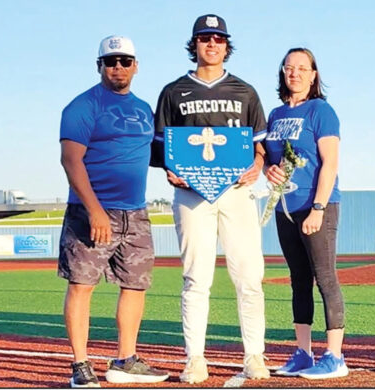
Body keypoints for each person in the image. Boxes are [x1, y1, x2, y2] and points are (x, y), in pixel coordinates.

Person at [149, 14, 270, 383]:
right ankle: (195, 357)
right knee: (196, 278)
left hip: (236, 193)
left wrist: (257, 165)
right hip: (191, 193)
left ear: (226, 45)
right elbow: (161, 149)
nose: (212, 44)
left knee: (248, 276)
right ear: (195, 44)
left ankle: (254, 355)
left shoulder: (245, 91)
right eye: (205, 38)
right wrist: (171, 169)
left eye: (218, 39)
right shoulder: (173, 91)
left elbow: (259, 148)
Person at [58, 35, 169, 388]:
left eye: (124, 61)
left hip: (135, 213)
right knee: (82, 286)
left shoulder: (142, 108)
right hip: (91, 213)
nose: (117, 67)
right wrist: (95, 211)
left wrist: (183, 170)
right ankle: (80, 365)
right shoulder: (82, 106)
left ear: (136, 66)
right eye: (110, 61)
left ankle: (125, 360)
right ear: (99, 66)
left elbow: (155, 154)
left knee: (135, 286)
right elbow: (70, 160)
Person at [263, 48, 347, 379]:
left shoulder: (321, 111)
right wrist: (269, 169)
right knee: (299, 280)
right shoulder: (275, 114)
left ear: (313, 75)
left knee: (325, 277)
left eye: (302, 68)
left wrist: (318, 207)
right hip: (286, 207)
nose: (295, 73)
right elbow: (270, 159)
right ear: (282, 73)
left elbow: (330, 163)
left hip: (316, 206)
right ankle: (303, 352)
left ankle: (335, 356)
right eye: (289, 68)